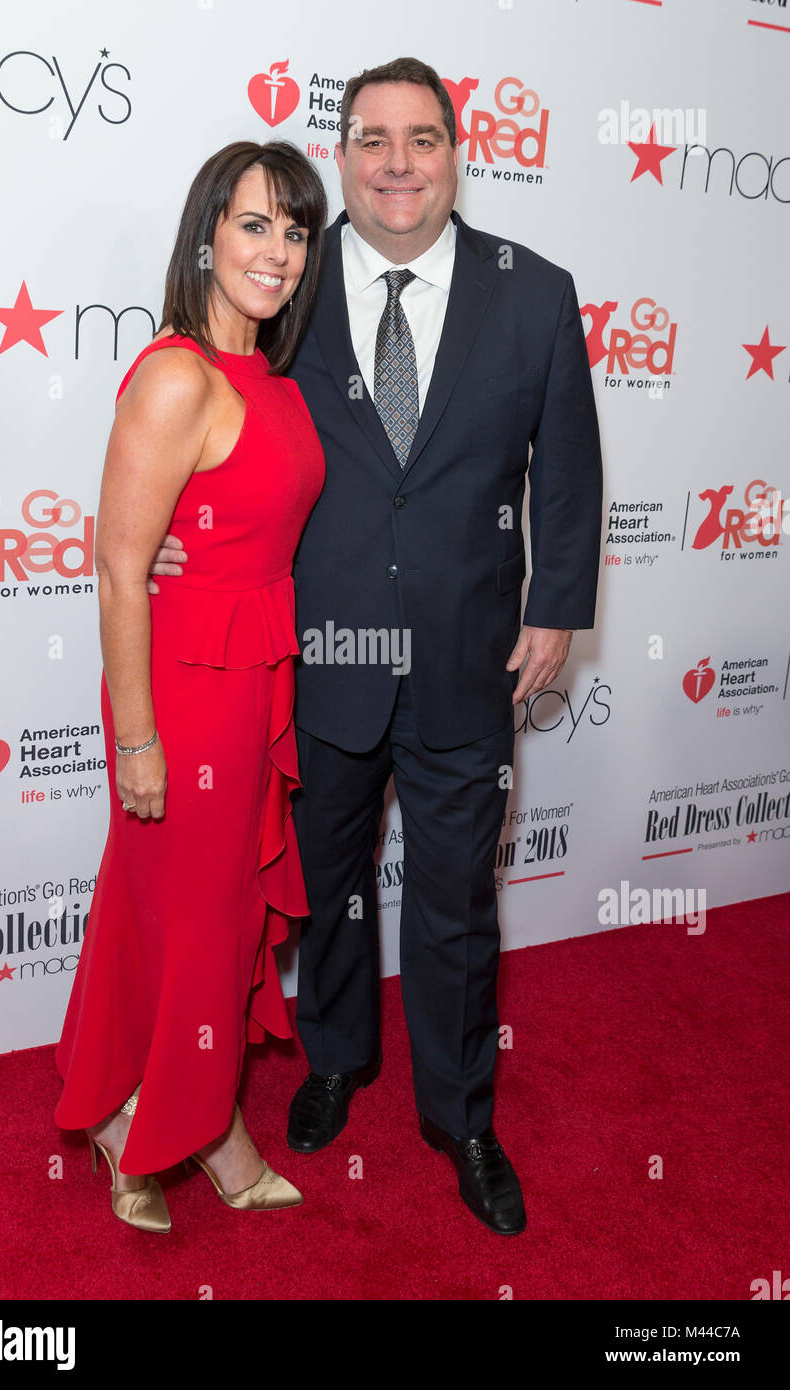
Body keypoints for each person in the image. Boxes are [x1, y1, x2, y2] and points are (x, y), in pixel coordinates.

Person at [150, 58, 603, 1236]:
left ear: (459, 152)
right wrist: (162, 534)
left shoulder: (533, 292)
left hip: (471, 660)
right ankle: (336, 1061)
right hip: (317, 656)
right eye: (370, 140)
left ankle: (460, 1117)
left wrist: (556, 604)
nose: (396, 162)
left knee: (456, 900)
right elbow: (206, 415)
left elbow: (568, 471)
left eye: (420, 138)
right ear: (340, 157)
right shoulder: (283, 294)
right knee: (328, 890)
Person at [54, 141, 328, 1230]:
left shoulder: (262, 373)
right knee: (195, 926)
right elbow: (121, 564)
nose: (276, 251)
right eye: (254, 224)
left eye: (295, 230)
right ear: (205, 234)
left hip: (253, 674)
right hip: (184, 691)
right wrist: (137, 740)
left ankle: (151, 1117)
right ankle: (186, 1130)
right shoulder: (177, 373)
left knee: (180, 915)